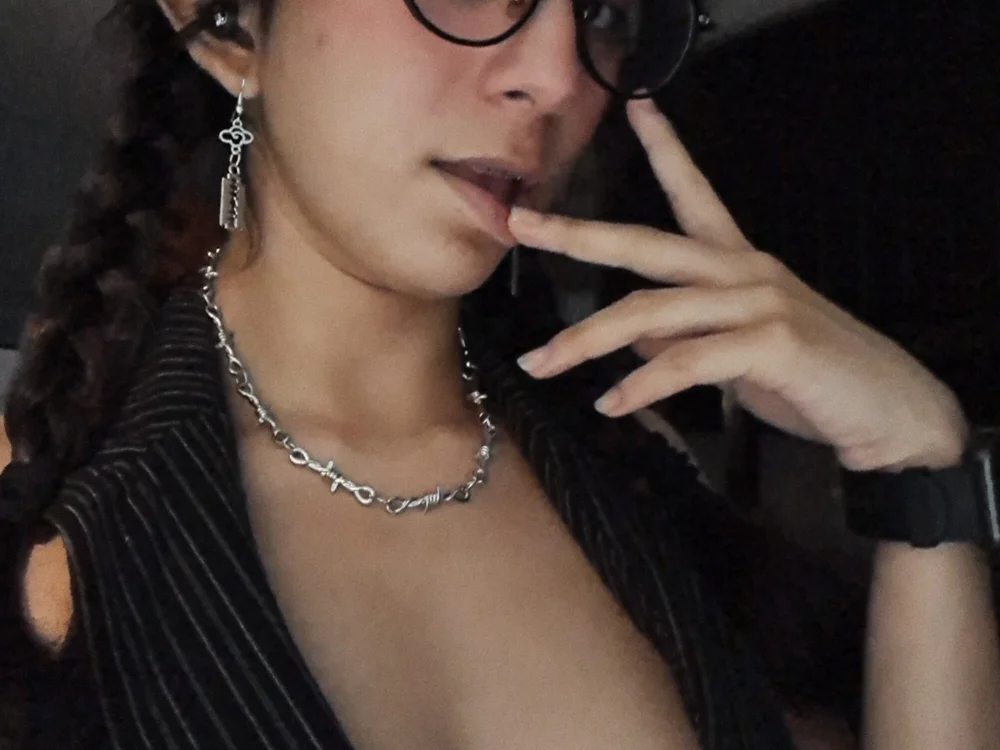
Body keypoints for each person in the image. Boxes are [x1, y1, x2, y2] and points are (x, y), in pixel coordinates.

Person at [1, 0, 997, 748]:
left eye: (602, 10)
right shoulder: (58, 526)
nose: (558, 77)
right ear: (229, 27)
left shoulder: (635, 469)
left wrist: (918, 469)